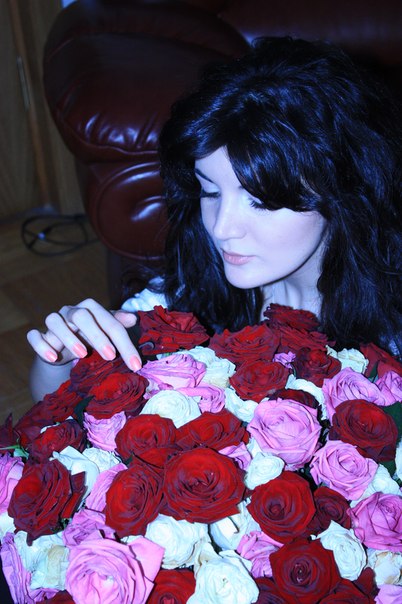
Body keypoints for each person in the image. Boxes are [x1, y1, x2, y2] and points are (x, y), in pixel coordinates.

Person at [27, 36, 402, 402]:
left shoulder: (391, 334)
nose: (221, 228)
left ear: (342, 191)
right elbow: (49, 402)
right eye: (210, 192)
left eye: (260, 202)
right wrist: (63, 357)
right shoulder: (193, 292)